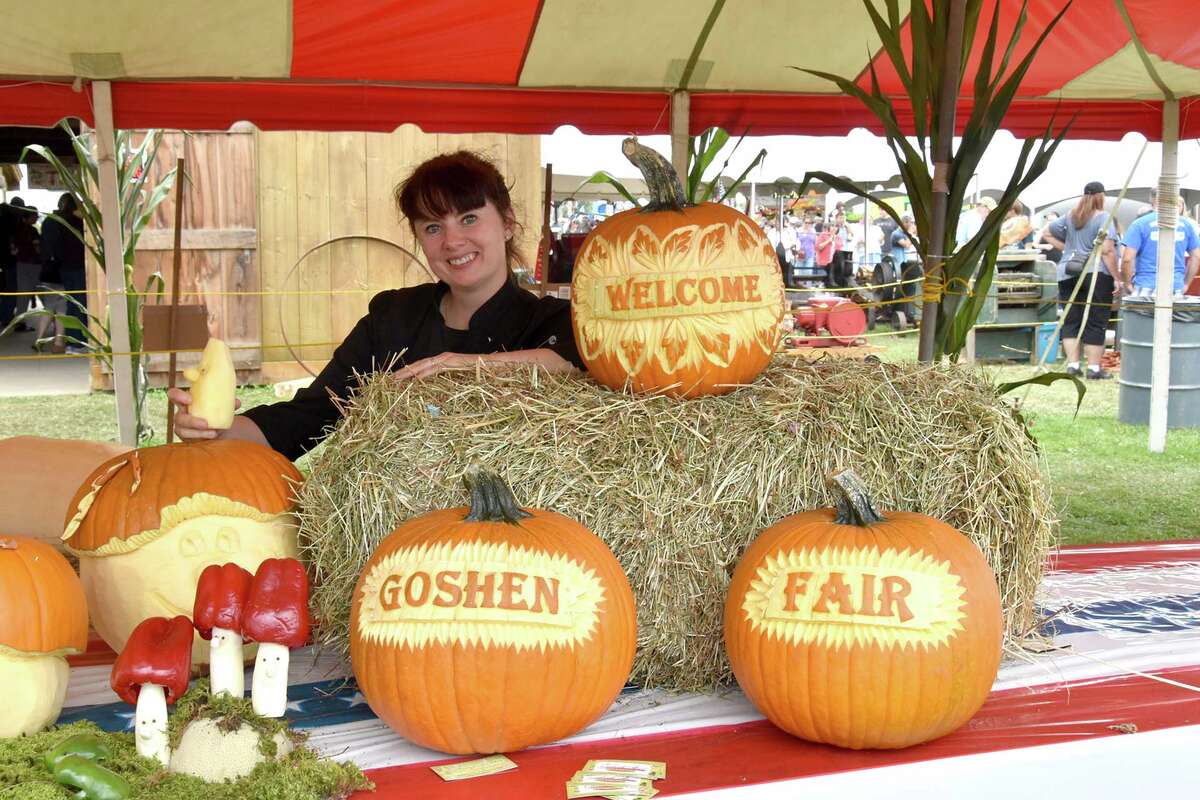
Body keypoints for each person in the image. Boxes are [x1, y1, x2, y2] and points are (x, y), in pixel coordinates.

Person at [170, 151, 585, 461]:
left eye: (470, 218)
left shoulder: (547, 320)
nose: (452, 241)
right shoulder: (392, 318)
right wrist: (216, 429)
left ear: (507, 222)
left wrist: (460, 365)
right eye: (433, 227)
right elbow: (311, 416)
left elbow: (577, 363)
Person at [1043, 181, 1120, 379]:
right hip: (1096, 273)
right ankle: (1094, 369)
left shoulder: (1071, 216)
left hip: (1068, 271)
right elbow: (1107, 250)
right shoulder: (1104, 218)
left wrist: (1067, 249)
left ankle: (1073, 366)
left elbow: (1046, 233)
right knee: (1096, 319)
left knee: (1071, 318)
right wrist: (1117, 278)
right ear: (1101, 196)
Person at [1120, 187, 1200, 299]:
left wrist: (1127, 284)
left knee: (1142, 316)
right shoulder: (1186, 225)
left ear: (1153, 200)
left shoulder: (1139, 224)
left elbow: (1127, 259)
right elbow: (1196, 257)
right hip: (1175, 287)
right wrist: (1185, 284)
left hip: (1145, 285)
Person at [40, 193, 88, 352]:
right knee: (80, 305)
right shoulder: (78, 222)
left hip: (61, 269)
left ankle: (68, 341)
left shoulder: (51, 221)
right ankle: (78, 342)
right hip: (78, 268)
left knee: (67, 305)